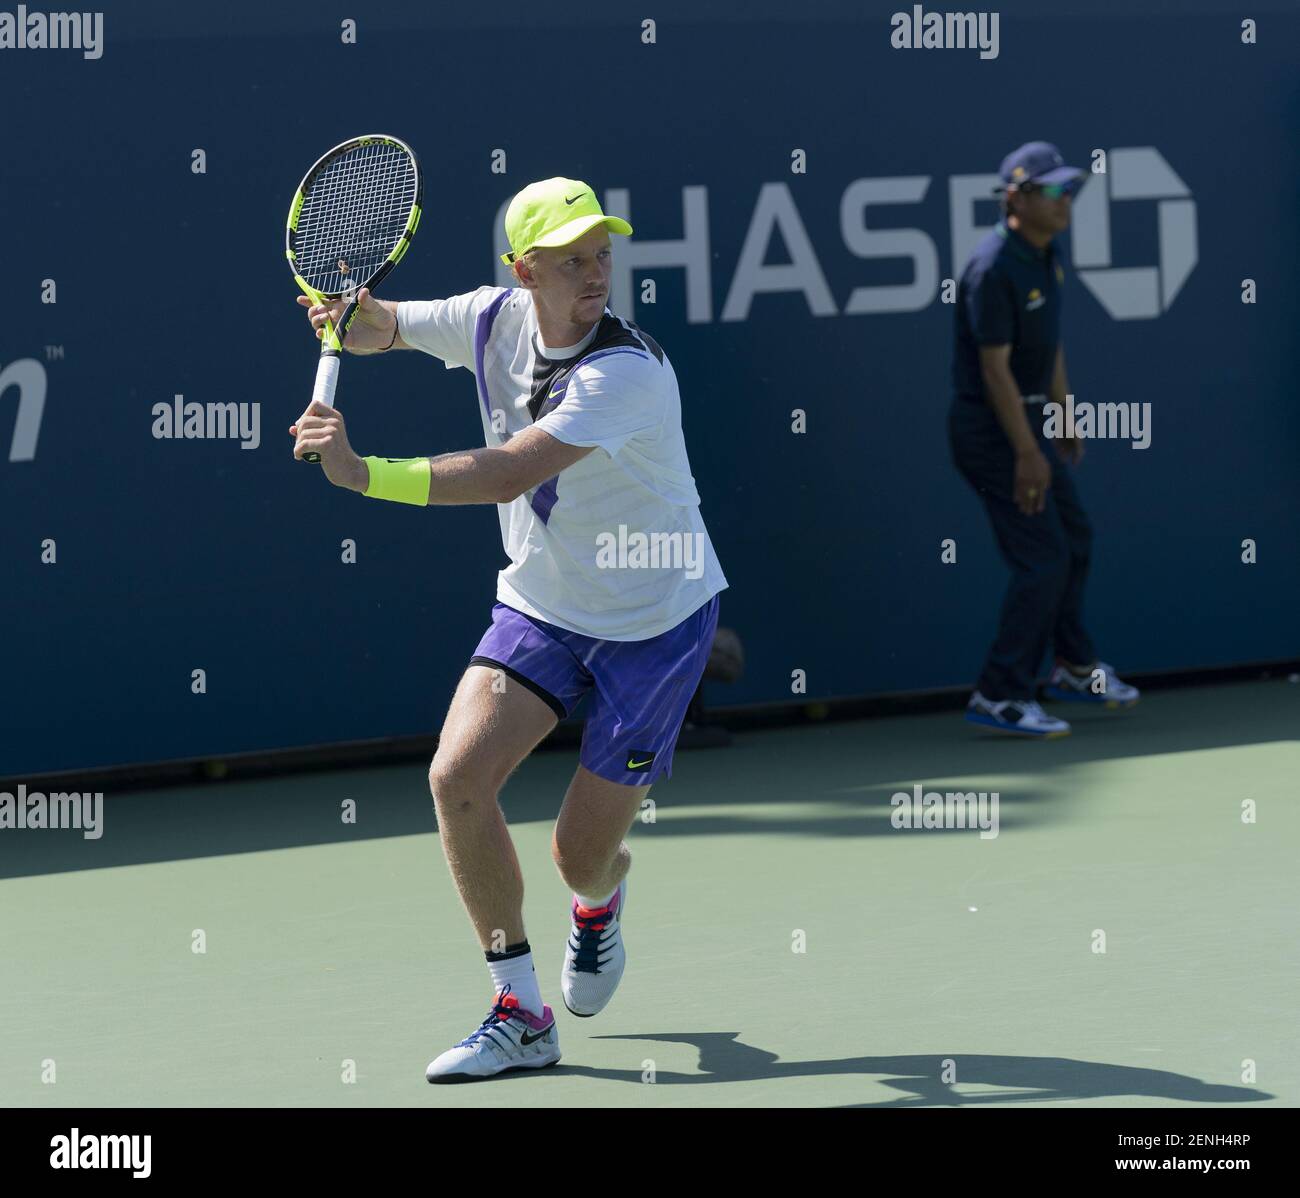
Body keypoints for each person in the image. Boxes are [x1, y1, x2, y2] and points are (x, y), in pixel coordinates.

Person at [290, 177, 728, 1080]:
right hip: (543, 606)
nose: (594, 272)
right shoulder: (491, 318)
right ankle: (520, 1009)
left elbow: (502, 474)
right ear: (524, 270)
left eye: (602, 253)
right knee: (455, 778)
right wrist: (351, 317)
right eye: (571, 259)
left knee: (580, 856)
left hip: (657, 623)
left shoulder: (626, 372)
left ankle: (599, 905)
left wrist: (362, 474)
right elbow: (388, 328)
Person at [949, 142, 1138, 738]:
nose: (1066, 202)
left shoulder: (1047, 255)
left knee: (1074, 539)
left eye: (1069, 190)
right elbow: (995, 369)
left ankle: (1074, 667)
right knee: (1043, 560)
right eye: (1054, 192)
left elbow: (1048, 346)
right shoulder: (993, 266)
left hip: (1027, 426)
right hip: (991, 432)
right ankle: (999, 694)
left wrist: (1063, 415)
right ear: (1016, 198)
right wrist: (1028, 451)